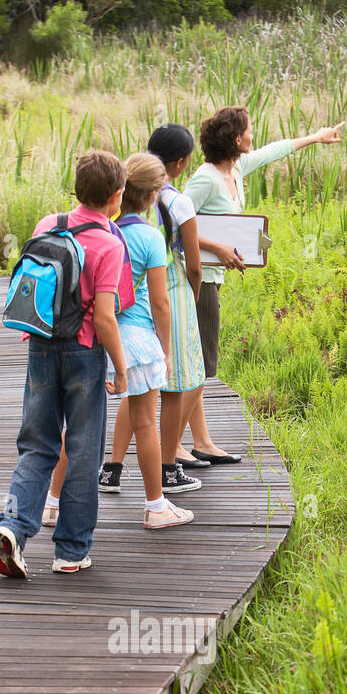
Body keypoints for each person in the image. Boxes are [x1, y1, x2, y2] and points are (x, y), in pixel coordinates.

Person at [0, 150, 128, 578]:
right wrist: (121, 369)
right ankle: (70, 551)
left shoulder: (47, 225)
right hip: (84, 354)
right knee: (84, 450)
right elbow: (105, 317)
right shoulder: (109, 243)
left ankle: (12, 527)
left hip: (41, 347)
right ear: (116, 196)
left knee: (37, 444)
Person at [182, 106, 344, 467]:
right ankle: (174, 447)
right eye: (249, 130)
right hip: (198, 279)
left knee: (198, 361)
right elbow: (176, 223)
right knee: (202, 364)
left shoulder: (235, 169)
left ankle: (202, 441)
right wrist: (217, 247)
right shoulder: (206, 178)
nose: (254, 135)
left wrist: (316, 137)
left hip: (212, 277)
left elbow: (274, 150)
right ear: (236, 139)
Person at [53, 152, 194, 531]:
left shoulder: (99, 228)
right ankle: (156, 506)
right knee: (146, 423)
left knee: (75, 426)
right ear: (152, 196)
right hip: (135, 336)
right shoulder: (149, 236)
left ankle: (51, 503)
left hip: (92, 334)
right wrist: (164, 349)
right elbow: (161, 303)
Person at [100, 123, 205, 495]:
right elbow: (191, 268)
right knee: (178, 385)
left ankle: (109, 469)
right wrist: (191, 304)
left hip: (106, 322)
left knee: (136, 393)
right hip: (160, 306)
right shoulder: (167, 214)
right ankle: (166, 473)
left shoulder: (105, 227)